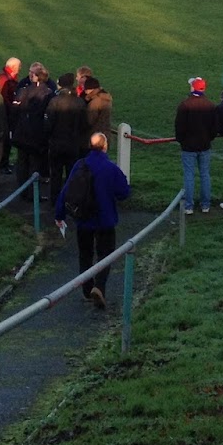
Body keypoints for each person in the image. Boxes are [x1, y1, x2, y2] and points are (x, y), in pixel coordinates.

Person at [55, 132, 132, 309]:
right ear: (105, 146)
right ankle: (99, 286)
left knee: (85, 254)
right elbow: (123, 193)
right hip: (105, 219)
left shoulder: (79, 165)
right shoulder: (110, 168)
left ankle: (87, 287)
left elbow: (66, 190)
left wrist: (59, 214)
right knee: (105, 254)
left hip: (83, 219)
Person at [44, 72, 89, 204]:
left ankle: (55, 200)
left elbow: (48, 124)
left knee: (56, 173)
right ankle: (71, 200)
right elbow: (84, 124)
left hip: (56, 143)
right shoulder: (80, 102)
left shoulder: (54, 101)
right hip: (73, 143)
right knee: (71, 173)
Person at [174, 76, 217, 215]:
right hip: (204, 145)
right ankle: (206, 205)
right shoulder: (210, 105)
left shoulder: (185, 105)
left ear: (193, 88)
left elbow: (179, 127)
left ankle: (189, 206)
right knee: (205, 174)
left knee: (189, 175)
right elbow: (214, 128)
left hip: (188, 146)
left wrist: (182, 140)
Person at [10, 64, 53, 188]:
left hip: (22, 132)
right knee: (34, 163)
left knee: (22, 161)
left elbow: (14, 110)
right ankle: (32, 192)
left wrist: (15, 127)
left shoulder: (23, 90)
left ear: (36, 77)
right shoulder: (48, 94)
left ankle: (22, 189)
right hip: (37, 135)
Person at [83, 74, 113, 142]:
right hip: (106, 134)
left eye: (86, 89)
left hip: (95, 136)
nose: (85, 92)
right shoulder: (106, 98)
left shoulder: (95, 103)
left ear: (91, 89)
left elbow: (89, 121)